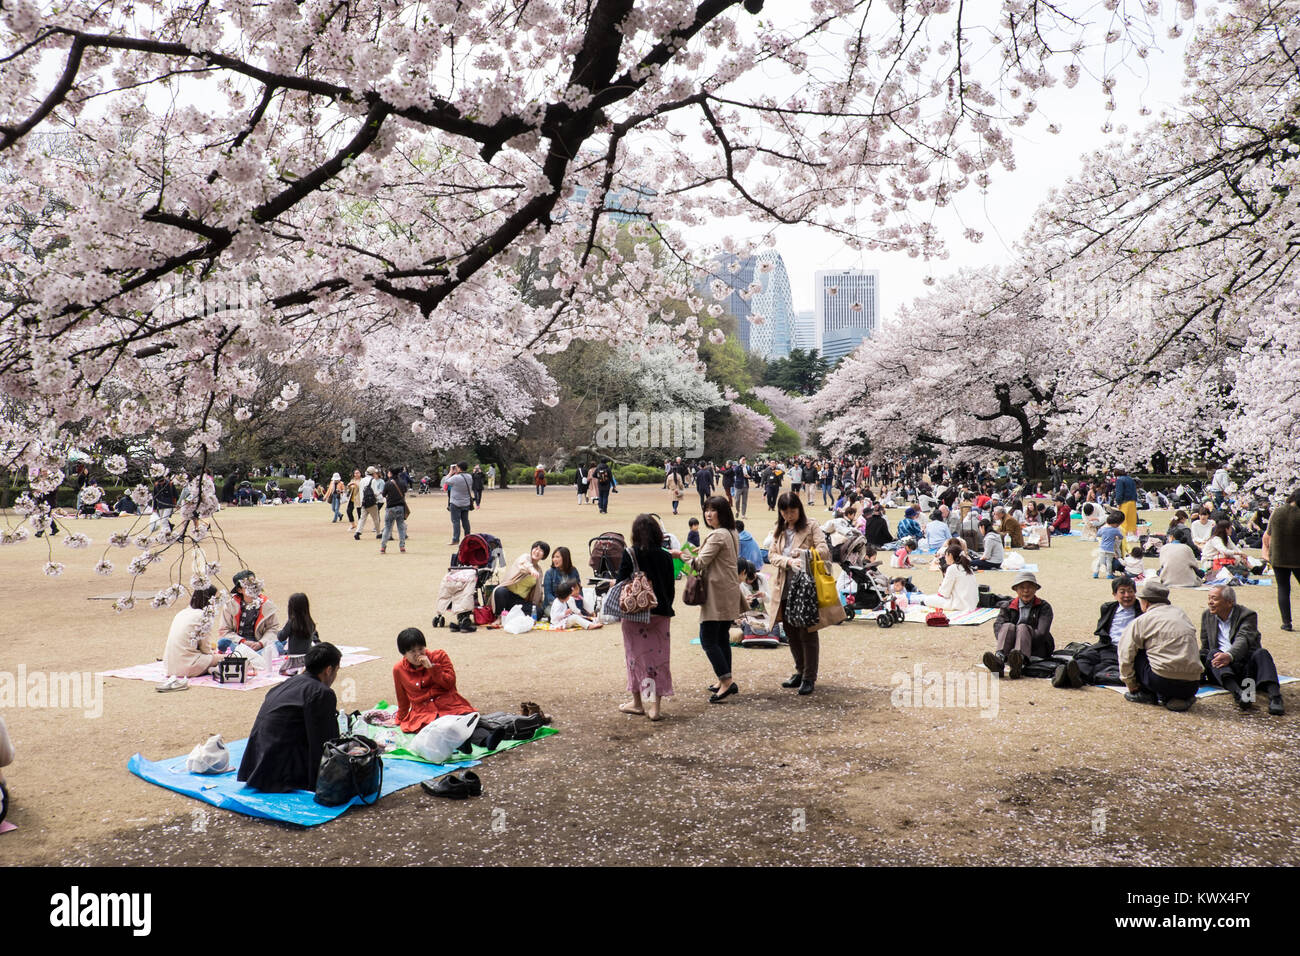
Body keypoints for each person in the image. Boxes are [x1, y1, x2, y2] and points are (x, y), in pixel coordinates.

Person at [237, 643, 342, 792]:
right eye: (336, 671)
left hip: (256, 762)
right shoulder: (321, 692)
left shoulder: (288, 683)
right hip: (280, 771)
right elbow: (324, 741)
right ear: (328, 670)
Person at [670, 496, 745, 704]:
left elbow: (700, 563)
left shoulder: (718, 535)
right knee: (721, 638)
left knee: (708, 638)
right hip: (727, 590)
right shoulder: (731, 532)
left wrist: (680, 555)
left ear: (723, 513)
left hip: (717, 592)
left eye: (713, 510)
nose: (708, 514)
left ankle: (727, 681)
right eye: (706, 509)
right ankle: (723, 678)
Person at [765, 493, 834, 696]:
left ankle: (809, 677)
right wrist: (787, 561)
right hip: (784, 586)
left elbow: (824, 550)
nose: (789, 515)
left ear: (799, 509)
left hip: (805, 587)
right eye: (785, 511)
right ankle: (799, 670)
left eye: (792, 511)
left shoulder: (811, 525)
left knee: (807, 631)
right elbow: (771, 555)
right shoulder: (778, 529)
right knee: (790, 630)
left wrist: (804, 554)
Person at [615, 514, 676, 720]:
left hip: (635, 615)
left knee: (635, 659)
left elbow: (620, 582)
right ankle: (655, 708)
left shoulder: (629, 553)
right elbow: (670, 587)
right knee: (659, 660)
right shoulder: (666, 555)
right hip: (661, 612)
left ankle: (637, 702)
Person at [1119, 579, 1202, 712]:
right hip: (1192, 684)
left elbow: (1125, 653)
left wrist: (1130, 683)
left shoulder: (1143, 620)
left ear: (1145, 602)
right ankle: (1180, 698)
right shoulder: (1181, 614)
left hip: (1161, 681)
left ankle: (1146, 694)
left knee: (1138, 651)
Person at [1199, 585, 1285, 715]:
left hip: (1244, 664)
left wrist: (1229, 655)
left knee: (1262, 653)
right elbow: (1205, 646)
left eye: (1214, 599)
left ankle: (1275, 697)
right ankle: (1239, 694)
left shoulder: (1247, 615)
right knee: (1212, 653)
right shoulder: (1207, 615)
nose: (1210, 602)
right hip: (1222, 669)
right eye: (1209, 598)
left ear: (1229, 602)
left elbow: (1243, 639)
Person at [1054, 576, 1143, 688]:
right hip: (1105, 645)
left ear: (1135, 592)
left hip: (1123, 649)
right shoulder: (1108, 608)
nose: (1127, 595)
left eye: (1130, 591)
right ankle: (1073, 676)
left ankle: (1072, 678)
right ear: (1114, 594)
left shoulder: (1141, 610)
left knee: (1104, 665)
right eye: (1122, 592)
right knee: (1084, 657)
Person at [982, 571, 1054, 679]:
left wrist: (1023, 636)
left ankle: (1020, 661)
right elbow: (998, 626)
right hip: (1011, 648)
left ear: (1035, 589)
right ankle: (1000, 660)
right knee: (1007, 626)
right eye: (1022, 587)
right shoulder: (1008, 605)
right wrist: (1010, 640)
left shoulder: (1044, 607)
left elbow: (1042, 633)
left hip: (1037, 646)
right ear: (1016, 589)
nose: (1026, 591)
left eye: (1030, 587)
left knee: (1023, 627)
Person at [162, 586, 221, 681]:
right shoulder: (204, 616)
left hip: (169, 666)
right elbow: (206, 650)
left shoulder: (182, 612)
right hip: (188, 665)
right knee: (224, 657)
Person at [1263, 489, 1300, 631]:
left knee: (1283, 588)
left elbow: (1269, 532)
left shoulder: (1278, 512)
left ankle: (1286, 622)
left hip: (1278, 556)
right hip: (1297, 558)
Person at [217, 570, 280, 653]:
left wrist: (261, 643)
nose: (253, 587)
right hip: (237, 644)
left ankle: (252, 656)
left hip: (259, 646)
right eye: (248, 585)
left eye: (254, 584)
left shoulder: (266, 605)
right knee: (222, 642)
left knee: (279, 645)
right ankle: (248, 656)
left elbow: (273, 629)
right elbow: (224, 631)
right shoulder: (230, 606)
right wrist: (243, 642)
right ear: (240, 590)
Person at [492, 541, 549, 620]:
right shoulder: (525, 557)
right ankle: (499, 617)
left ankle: (511, 616)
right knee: (500, 591)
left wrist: (537, 605)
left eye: (541, 550)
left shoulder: (539, 571)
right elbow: (524, 564)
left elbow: (538, 592)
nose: (537, 551)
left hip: (520, 601)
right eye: (536, 548)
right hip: (507, 595)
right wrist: (531, 570)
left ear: (544, 556)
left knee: (538, 611)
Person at [921, 544, 980, 613]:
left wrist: (942, 586)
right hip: (973, 603)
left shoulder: (952, 568)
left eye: (946, 555)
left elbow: (944, 593)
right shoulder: (967, 567)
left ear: (950, 556)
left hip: (960, 604)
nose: (945, 558)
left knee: (927, 599)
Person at [274, 592, 321, 675]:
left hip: (294, 657)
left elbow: (281, 637)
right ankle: (302, 669)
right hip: (307, 656)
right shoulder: (310, 622)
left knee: (282, 671)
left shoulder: (292, 622)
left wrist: (278, 632)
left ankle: (293, 670)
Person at [542, 546, 583, 617]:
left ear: (565, 558)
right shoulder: (549, 573)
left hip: (571, 604)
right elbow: (548, 595)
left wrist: (577, 604)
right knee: (557, 616)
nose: (554, 559)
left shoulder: (573, 571)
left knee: (574, 614)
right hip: (553, 605)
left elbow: (579, 590)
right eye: (553, 557)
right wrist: (562, 604)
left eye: (557, 557)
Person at [443, 461, 475, 547]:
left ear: (459, 468)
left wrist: (450, 472)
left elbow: (446, 481)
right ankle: (467, 538)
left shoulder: (456, 478)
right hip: (466, 502)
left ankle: (455, 539)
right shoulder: (469, 476)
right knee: (465, 521)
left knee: (455, 521)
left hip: (455, 502)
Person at [379, 465, 409, 554]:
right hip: (400, 507)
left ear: (391, 473)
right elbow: (405, 491)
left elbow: (383, 494)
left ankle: (383, 547)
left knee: (387, 527)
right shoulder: (402, 482)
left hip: (390, 507)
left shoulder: (388, 483)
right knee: (401, 527)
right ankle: (402, 546)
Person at [355, 466, 383, 540]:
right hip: (372, 503)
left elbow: (361, 491)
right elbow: (375, 492)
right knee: (376, 518)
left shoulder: (362, 480)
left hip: (363, 502)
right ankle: (378, 533)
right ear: (373, 473)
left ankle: (358, 532)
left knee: (362, 518)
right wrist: (380, 494)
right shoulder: (373, 480)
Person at [1094, 511, 1124, 579]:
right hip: (1110, 551)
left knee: (1099, 561)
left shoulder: (1103, 528)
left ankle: (1096, 573)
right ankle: (1109, 574)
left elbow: (1098, 534)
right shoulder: (1116, 530)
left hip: (1102, 549)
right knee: (1109, 562)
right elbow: (1121, 537)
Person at [1114, 467, 1138, 538]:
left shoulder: (1120, 480)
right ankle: (1133, 535)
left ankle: (1124, 535)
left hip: (1124, 502)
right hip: (1132, 502)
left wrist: (1118, 502)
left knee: (1123, 520)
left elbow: (1119, 493)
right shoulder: (1130, 479)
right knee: (1132, 519)